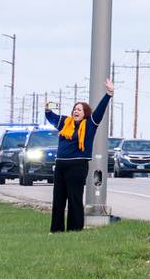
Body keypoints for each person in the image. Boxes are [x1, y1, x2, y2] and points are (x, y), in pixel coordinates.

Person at [44, 80, 114, 233]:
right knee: (58, 199)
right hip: (61, 165)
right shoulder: (65, 122)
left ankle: (74, 230)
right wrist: (47, 109)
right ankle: (56, 230)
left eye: (80, 110)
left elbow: (100, 111)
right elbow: (51, 117)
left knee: (74, 199)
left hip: (77, 166)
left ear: (85, 114)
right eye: (75, 109)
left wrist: (108, 95)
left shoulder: (90, 124)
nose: (76, 112)